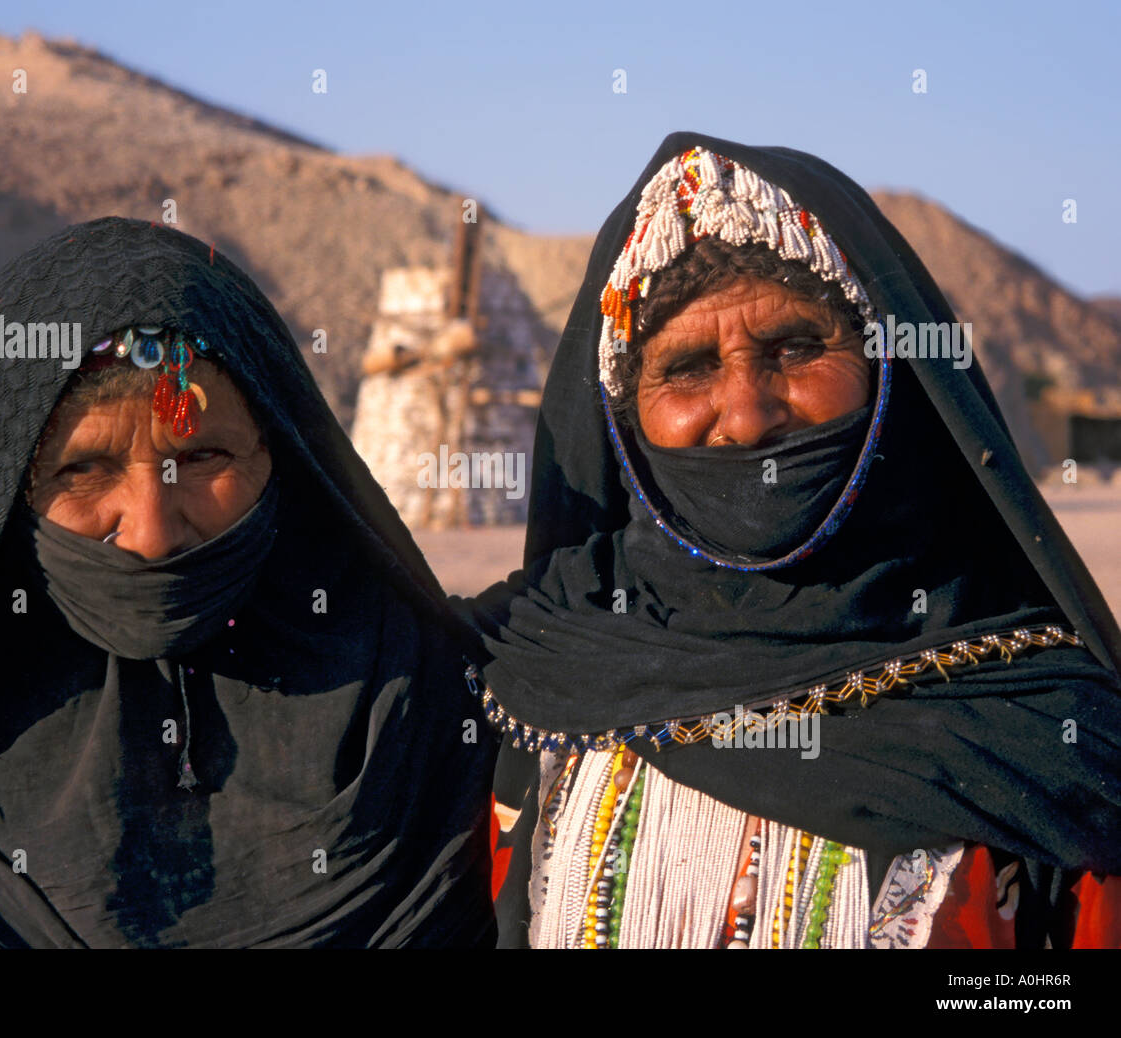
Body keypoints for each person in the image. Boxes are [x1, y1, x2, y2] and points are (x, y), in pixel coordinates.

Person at [469, 134, 1121, 948]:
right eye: (689, 367)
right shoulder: (526, 671)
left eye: (797, 349)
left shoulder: (1050, 723)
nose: (746, 416)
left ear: (890, 375)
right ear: (624, 421)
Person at [0, 218, 495, 948]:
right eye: (82, 471)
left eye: (204, 456)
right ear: (7, 497)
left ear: (286, 464)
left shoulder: (432, 702)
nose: (152, 532)